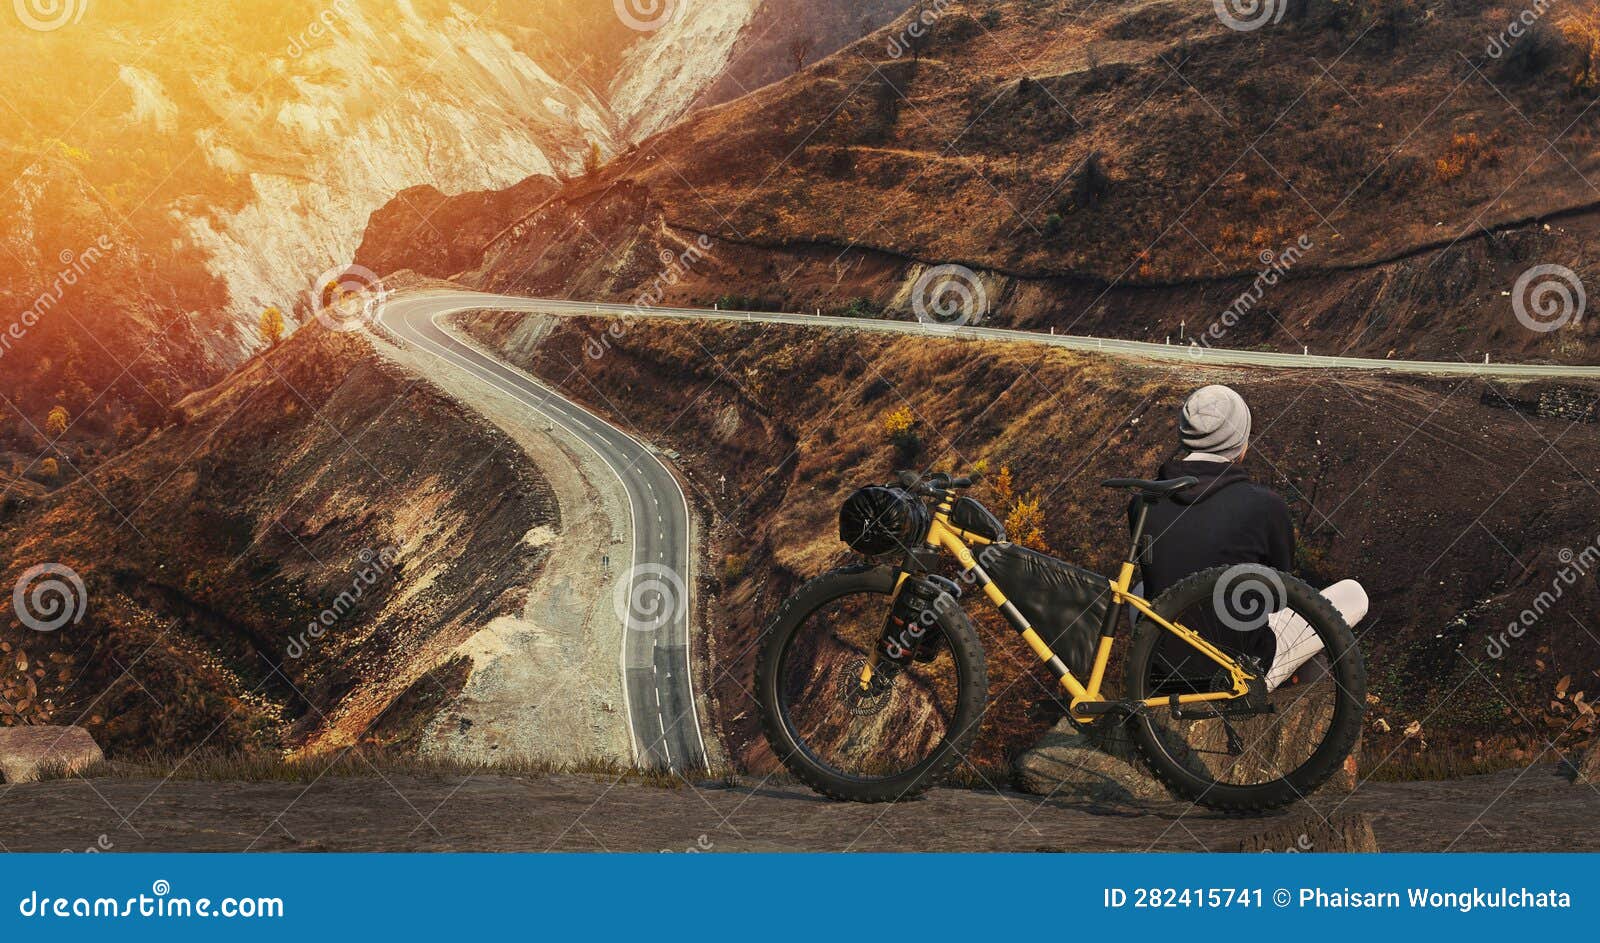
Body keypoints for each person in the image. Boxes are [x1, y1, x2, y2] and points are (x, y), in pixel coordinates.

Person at [1135, 384, 1367, 691]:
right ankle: (1300, 698)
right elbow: (1281, 595)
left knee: (1141, 587)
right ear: (1239, 443)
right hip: (1238, 668)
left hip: (1159, 665)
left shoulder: (1142, 502)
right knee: (1353, 594)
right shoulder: (1265, 505)